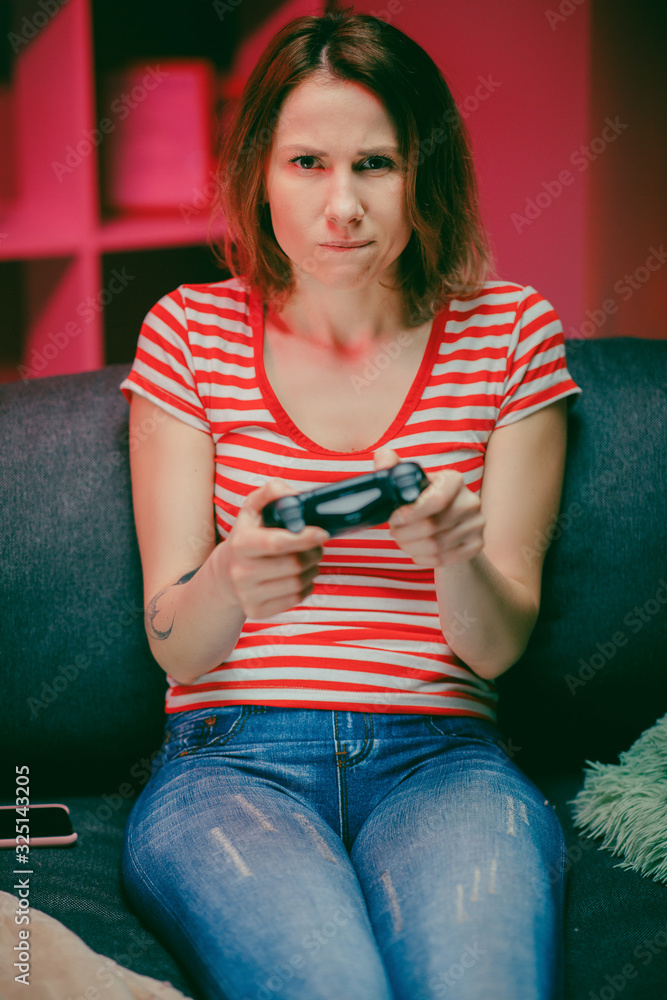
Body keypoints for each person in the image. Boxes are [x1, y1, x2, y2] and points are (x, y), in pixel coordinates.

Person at [119, 8, 582, 1000]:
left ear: (426, 174)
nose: (343, 207)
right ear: (258, 173)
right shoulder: (187, 332)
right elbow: (172, 641)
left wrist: (456, 552)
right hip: (230, 758)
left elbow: (495, 646)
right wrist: (232, 579)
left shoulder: (510, 332)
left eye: (376, 164)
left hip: (444, 759)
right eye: (306, 165)